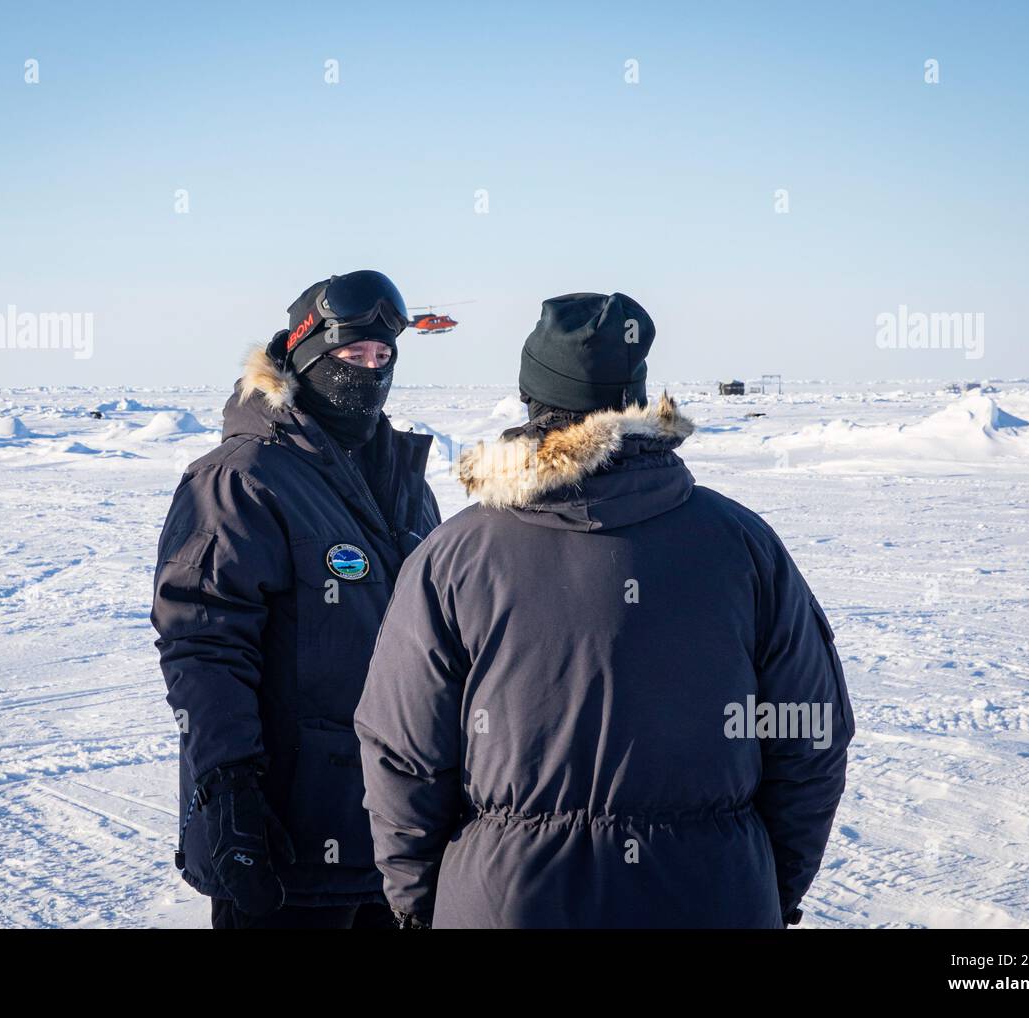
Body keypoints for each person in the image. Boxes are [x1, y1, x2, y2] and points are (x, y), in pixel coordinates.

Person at [354, 292, 855, 928]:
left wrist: (425, 901)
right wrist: (761, 884)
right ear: (636, 401)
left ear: (530, 401)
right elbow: (809, 729)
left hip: (507, 903)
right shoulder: (742, 544)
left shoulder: (455, 556)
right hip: (712, 898)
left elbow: (403, 752)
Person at [152, 270, 441, 929]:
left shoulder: (405, 481)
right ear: (310, 357)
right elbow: (203, 645)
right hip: (285, 849)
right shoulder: (242, 478)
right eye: (351, 355)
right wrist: (227, 790)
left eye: (382, 357)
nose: (369, 371)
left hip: (397, 845)